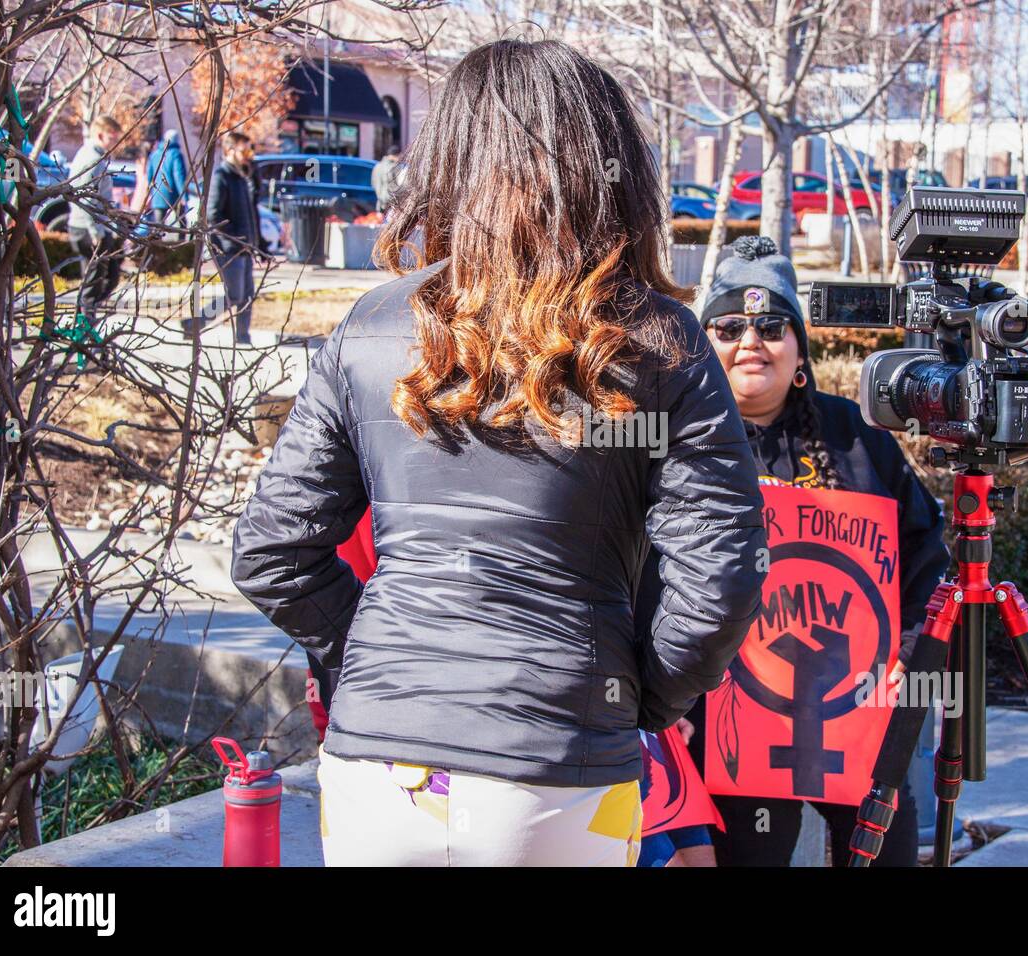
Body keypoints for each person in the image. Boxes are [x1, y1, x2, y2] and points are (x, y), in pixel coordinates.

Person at [231, 39, 767, 867]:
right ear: (608, 163)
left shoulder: (372, 326)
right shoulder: (661, 341)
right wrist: (635, 697)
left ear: (449, 155)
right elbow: (721, 578)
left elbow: (272, 551)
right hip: (559, 769)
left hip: (375, 769)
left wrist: (376, 655)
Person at [636, 235, 950, 867]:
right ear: (703, 349)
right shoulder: (667, 441)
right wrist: (660, 703)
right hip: (728, 722)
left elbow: (926, 562)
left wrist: (908, 659)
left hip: (855, 711)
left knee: (886, 855)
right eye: (727, 326)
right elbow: (636, 575)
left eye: (772, 325)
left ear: (800, 349)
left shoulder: (859, 438)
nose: (750, 341)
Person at [205, 131, 263, 344]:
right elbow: (213, 214)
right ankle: (196, 321)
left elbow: (253, 206)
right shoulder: (222, 177)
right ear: (229, 150)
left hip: (245, 247)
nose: (248, 154)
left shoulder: (241, 177)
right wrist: (233, 239)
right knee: (234, 295)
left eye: (250, 149)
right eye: (244, 150)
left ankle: (243, 337)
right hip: (229, 247)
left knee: (247, 296)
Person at [67, 115, 125, 324]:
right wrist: (96, 232)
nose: (115, 143)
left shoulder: (94, 155)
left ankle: (84, 320)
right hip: (89, 228)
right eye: (112, 138)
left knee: (106, 276)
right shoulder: (92, 159)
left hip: (95, 226)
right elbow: (86, 198)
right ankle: (86, 327)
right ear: (100, 135)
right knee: (99, 280)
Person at [146, 129, 188, 224]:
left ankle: (157, 239)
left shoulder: (154, 154)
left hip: (158, 194)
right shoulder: (176, 154)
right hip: (173, 194)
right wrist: (183, 196)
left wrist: (149, 192)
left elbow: (149, 176)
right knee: (182, 223)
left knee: (158, 225)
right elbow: (179, 176)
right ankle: (182, 239)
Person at [371, 144, 403, 214]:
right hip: (392, 203)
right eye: (400, 155)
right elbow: (400, 185)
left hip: (380, 203)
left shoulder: (377, 166)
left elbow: (373, 183)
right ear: (395, 155)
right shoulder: (395, 167)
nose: (400, 158)